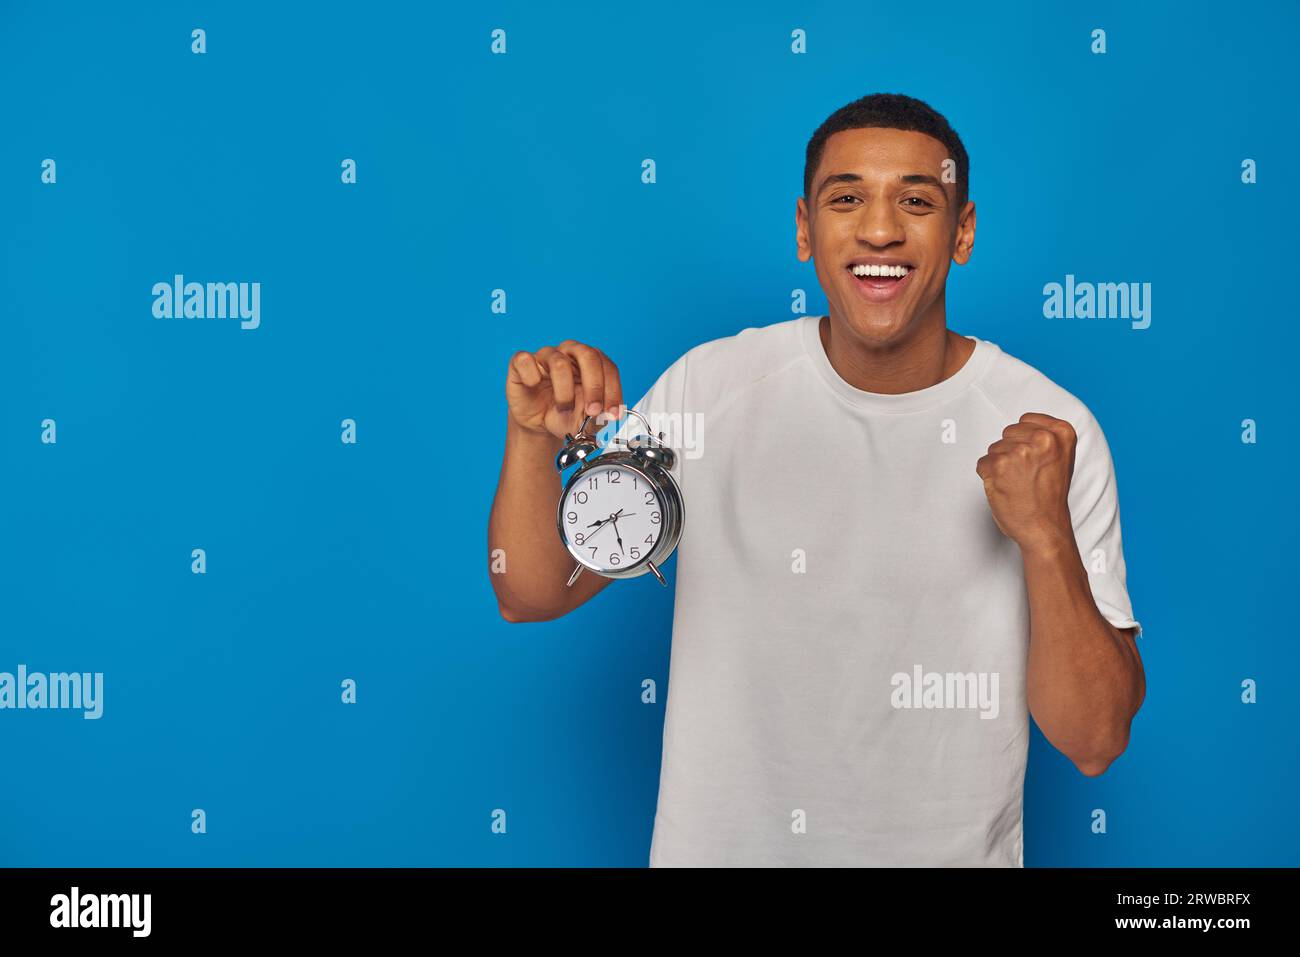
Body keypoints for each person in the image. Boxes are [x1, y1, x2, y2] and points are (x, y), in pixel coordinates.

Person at [487, 92, 1145, 867]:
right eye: (847, 199)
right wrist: (533, 441)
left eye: (916, 200)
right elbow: (531, 590)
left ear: (962, 232)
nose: (878, 229)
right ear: (805, 229)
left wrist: (1045, 539)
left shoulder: (1050, 428)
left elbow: (1096, 739)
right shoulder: (709, 389)